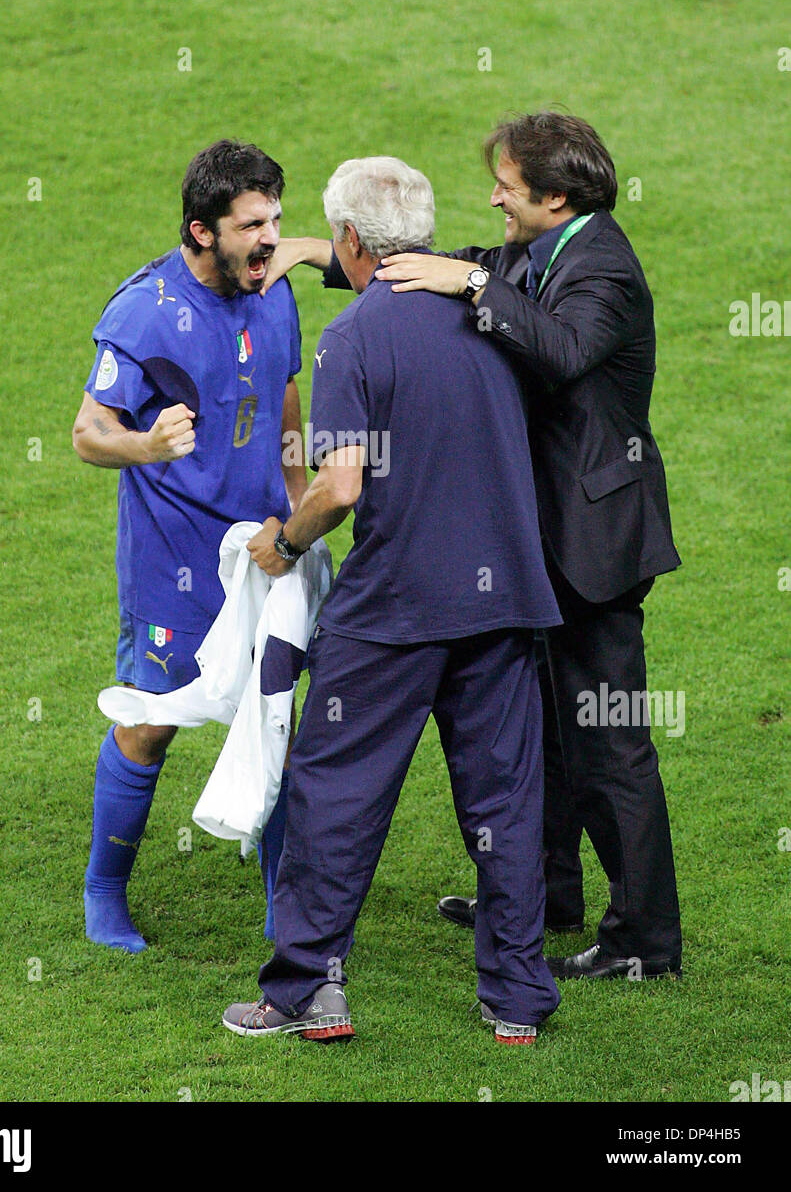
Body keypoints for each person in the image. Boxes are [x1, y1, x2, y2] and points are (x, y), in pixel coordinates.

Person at [262, 111, 682, 982]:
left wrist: (474, 290)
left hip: (593, 546)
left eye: (506, 185)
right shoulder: (541, 247)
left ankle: (645, 938)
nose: (492, 194)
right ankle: (544, 898)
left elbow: (559, 350)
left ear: (555, 196)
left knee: (608, 745)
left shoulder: (602, 265)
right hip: (534, 540)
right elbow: (438, 275)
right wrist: (323, 252)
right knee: (544, 736)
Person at [222, 157, 562, 1045]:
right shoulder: (492, 313)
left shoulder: (353, 339)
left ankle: (304, 992)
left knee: (336, 792)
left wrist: (283, 544)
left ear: (346, 241)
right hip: (506, 599)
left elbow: (339, 489)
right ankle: (516, 1001)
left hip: (395, 609)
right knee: (504, 804)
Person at [71, 139, 307, 953]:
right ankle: (105, 891)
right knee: (151, 725)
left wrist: (301, 508)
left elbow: (283, 402)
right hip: (171, 561)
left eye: (276, 217)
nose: (271, 238)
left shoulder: (272, 289)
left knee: (273, 722)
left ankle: (289, 915)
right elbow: (88, 431)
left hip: (268, 553)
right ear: (202, 231)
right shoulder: (144, 310)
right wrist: (146, 446)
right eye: (252, 224)